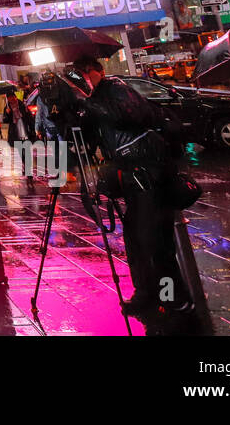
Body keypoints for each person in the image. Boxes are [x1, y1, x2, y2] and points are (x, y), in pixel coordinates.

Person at [72, 55, 188, 317]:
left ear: (99, 71)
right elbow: (87, 135)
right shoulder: (95, 100)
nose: (85, 79)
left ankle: (173, 298)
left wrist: (88, 101)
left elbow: (130, 115)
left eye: (87, 72)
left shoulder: (116, 87)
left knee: (155, 240)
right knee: (135, 239)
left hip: (150, 170)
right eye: (80, 75)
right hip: (131, 174)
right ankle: (145, 292)